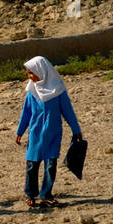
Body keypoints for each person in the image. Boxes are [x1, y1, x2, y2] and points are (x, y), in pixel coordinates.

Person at [16, 56, 83, 207]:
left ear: (42, 71)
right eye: (28, 73)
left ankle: (46, 194)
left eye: (32, 73)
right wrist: (20, 131)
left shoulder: (58, 90)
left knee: (50, 165)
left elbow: (68, 112)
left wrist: (76, 130)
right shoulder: (32, 92)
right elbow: (26, 113)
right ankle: (30, 194)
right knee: (32, 164)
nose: (30, 76)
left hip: (54, 134)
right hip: (35, 133)